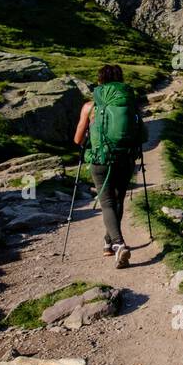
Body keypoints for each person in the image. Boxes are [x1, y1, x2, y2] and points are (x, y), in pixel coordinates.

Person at [72, 64, 146, 267]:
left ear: (99, 81)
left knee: (106, 203)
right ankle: (108, 243)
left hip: (100, 161)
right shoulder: (131, 106)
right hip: (125, 159)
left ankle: (118, 244)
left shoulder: (90, 107)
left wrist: (92, 136)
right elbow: (143, 135)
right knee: (118, 200)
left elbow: (78, 139)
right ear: (120, 81)